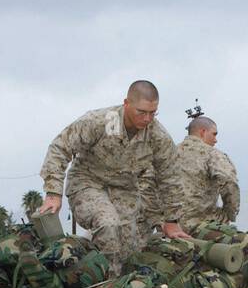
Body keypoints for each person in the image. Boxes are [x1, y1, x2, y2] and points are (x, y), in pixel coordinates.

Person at [38, 80, 189, 270]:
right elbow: (60, 147)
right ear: (126, 104)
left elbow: (170, 176)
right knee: (108, 224)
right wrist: (53, 193)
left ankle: (115, 286)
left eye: (153, 113)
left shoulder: (158, 136)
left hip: (125, 190)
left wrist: (172, 220)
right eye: (141, 112)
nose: (147, 119)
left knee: (129, 249)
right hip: (88, 183)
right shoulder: (99, 122)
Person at [176, 115, 240, 230]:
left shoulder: (169, 153)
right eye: (214, 134)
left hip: (171, 227)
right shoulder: (212, 154)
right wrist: (229, 215)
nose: (216, 140)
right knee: (246, 242)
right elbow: (230, 182)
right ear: (203, 132)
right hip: (202, 225)